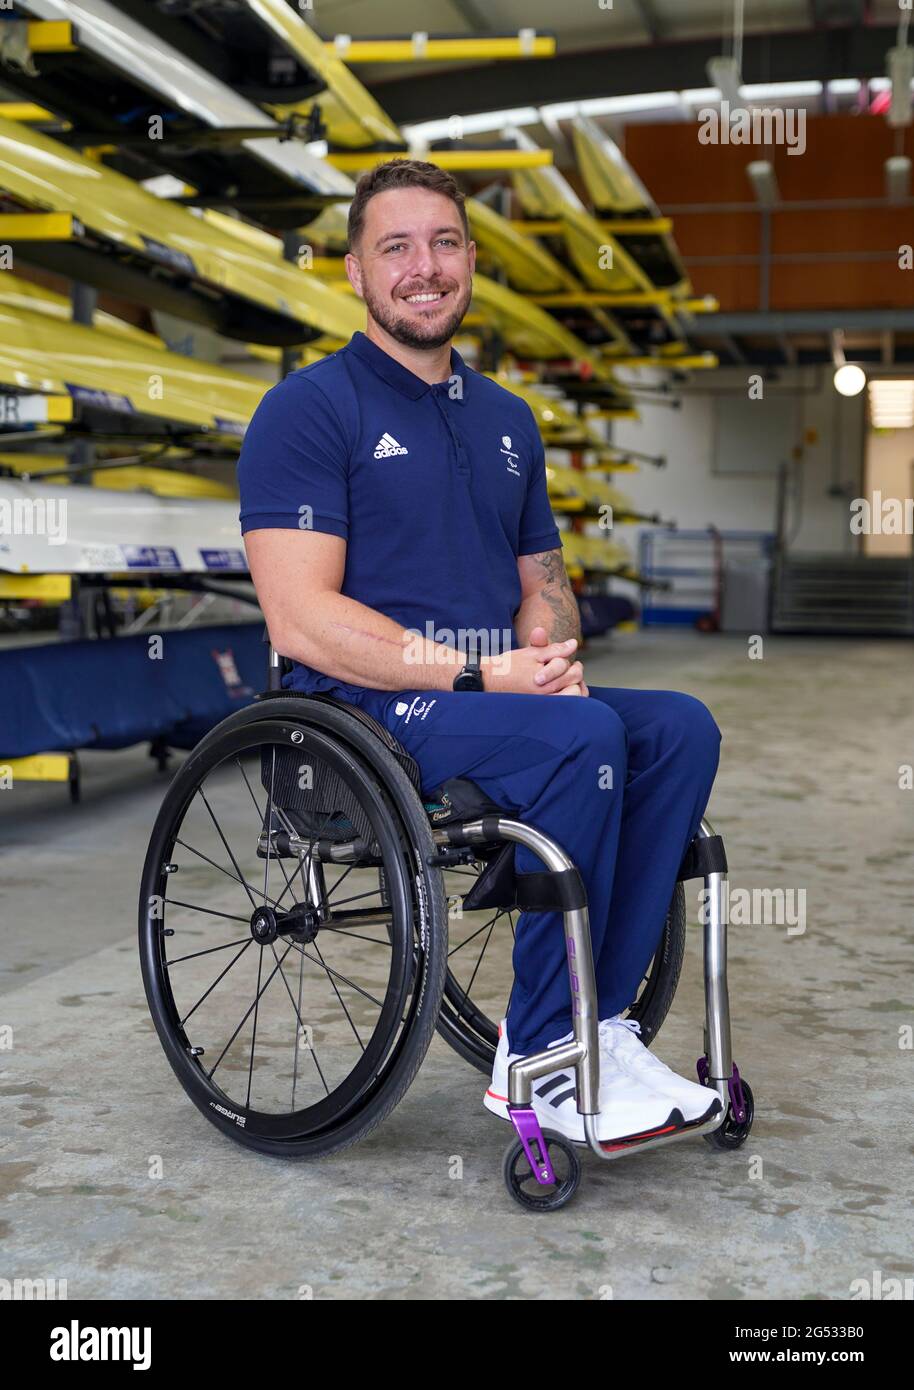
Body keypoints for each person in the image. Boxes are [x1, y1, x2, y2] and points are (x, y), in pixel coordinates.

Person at [237, 159, 722, 1144]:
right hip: (361, 712)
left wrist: (546, 652)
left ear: (467, 260)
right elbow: (298, 618)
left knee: (676, 726)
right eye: (396, 247)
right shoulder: (309, 409)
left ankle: (602, 1021)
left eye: (444, 243)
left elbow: (539, 582)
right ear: (355, 273)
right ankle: (538, 1055)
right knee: (577, 738)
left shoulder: (505, 418)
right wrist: (476, 671)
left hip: (490, 698)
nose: (425, 266)